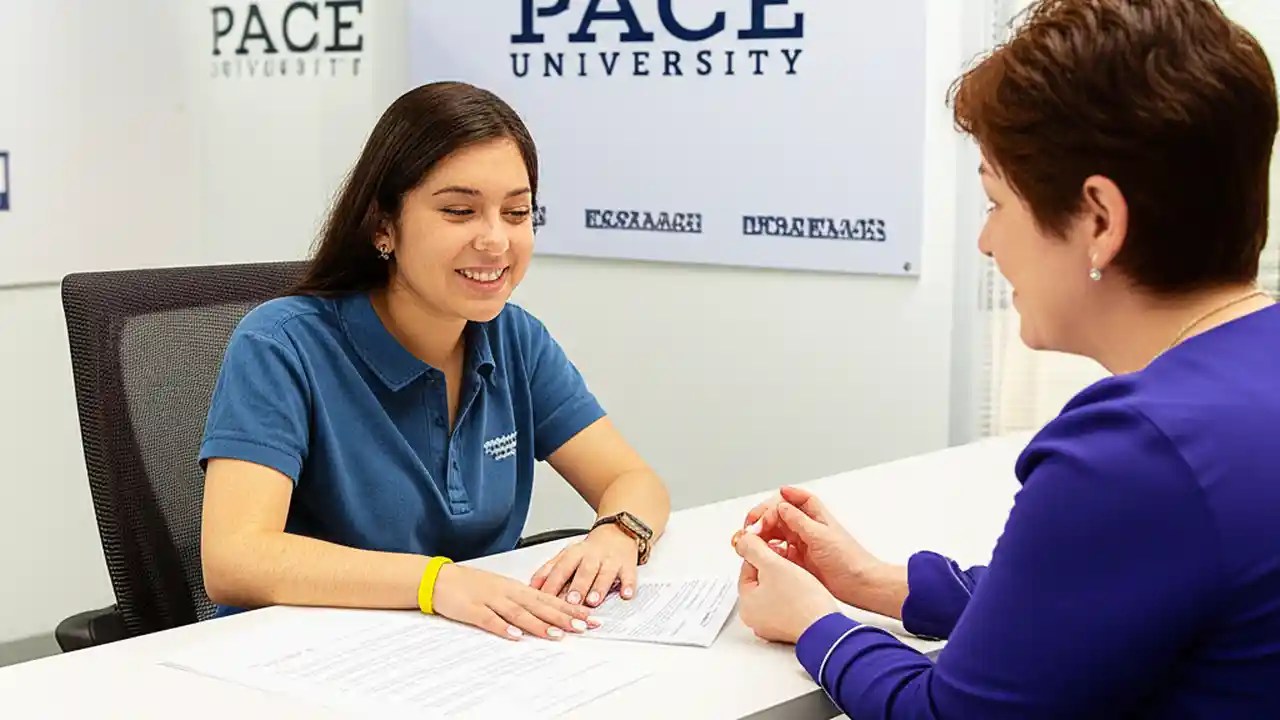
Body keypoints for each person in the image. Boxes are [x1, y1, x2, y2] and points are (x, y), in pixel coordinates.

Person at [732, 0, 1280, 716]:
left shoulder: (1136, 451)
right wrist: (871, 581)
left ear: (1100, 219)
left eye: (995, 202)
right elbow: (1085, 598)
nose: (986, 242)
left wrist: (815, 624)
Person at [198, 81, 670, 642]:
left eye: (517, 212)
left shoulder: (515, 338)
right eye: (459, 211)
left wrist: (618, 533)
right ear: (383, 226)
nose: (496, 240)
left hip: (460, 650)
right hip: (298, 657)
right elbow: (234, 558)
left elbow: (631, 479)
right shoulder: (281, 344)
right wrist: (435, 583)